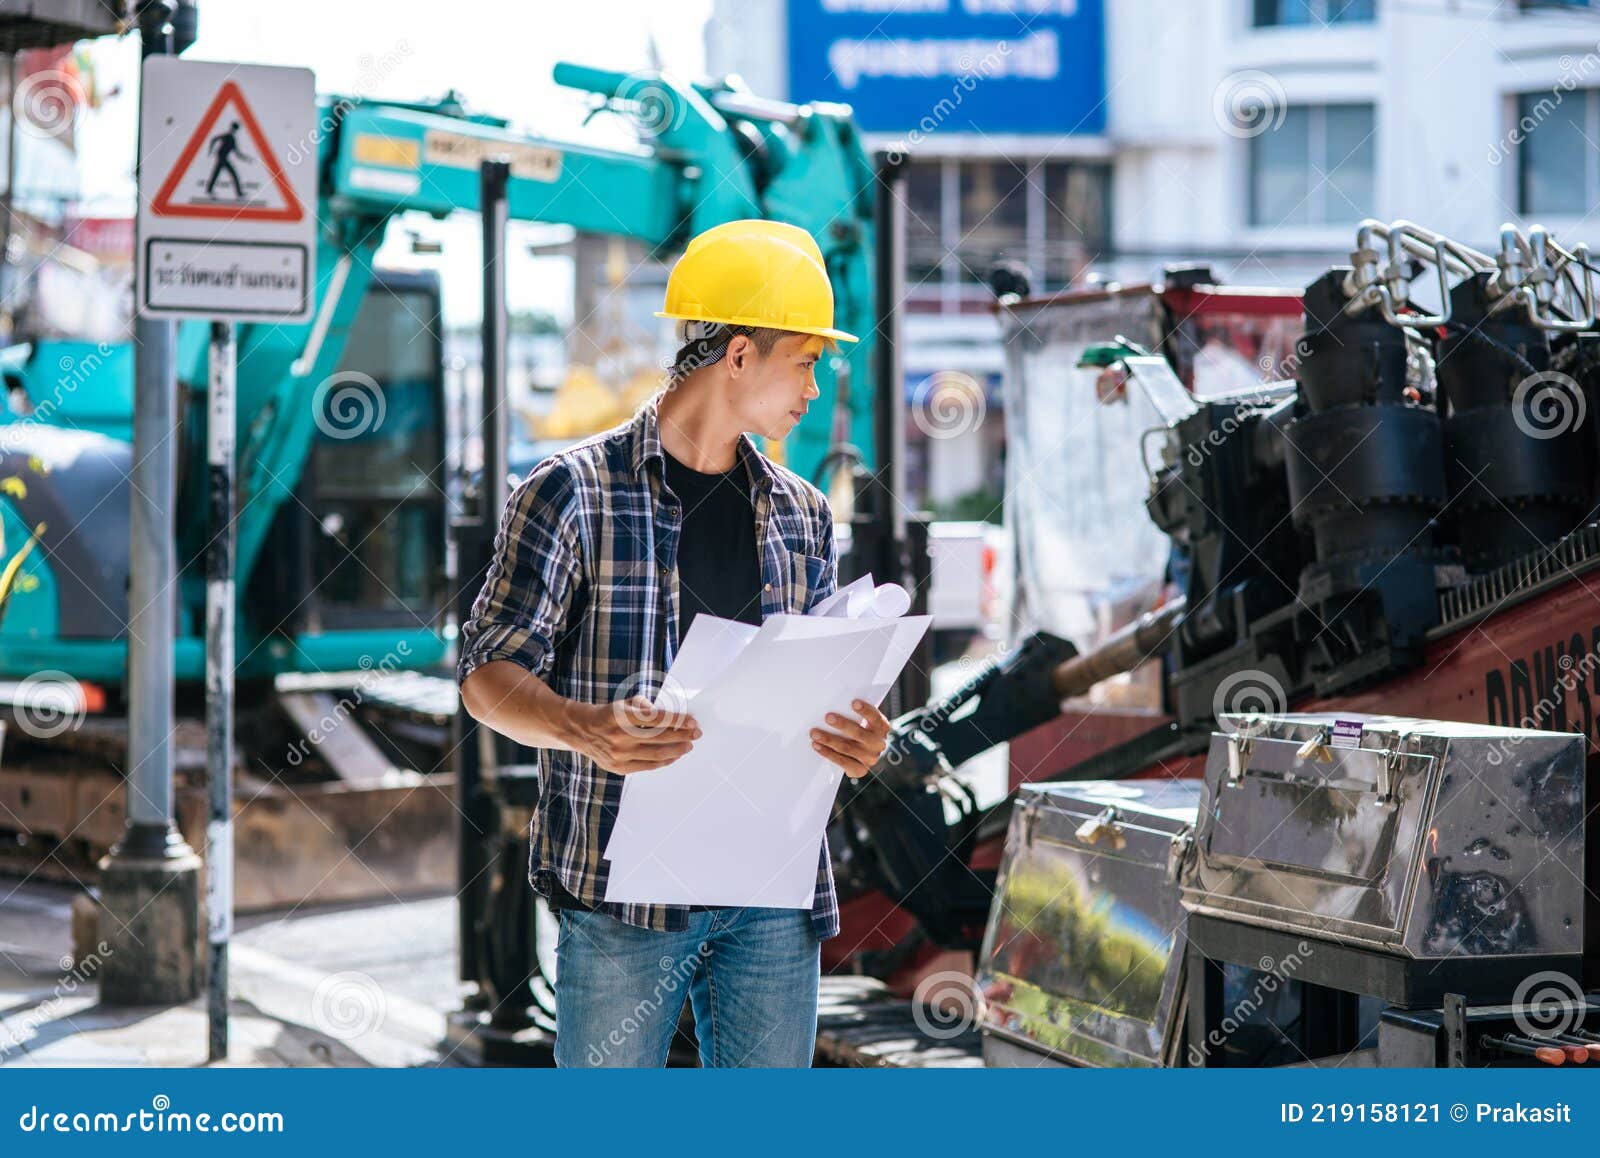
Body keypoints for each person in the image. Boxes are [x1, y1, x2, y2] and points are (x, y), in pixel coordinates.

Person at [458, 219, 892, 1068]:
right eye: (804, 360)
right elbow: (485, 675)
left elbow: (813, 683)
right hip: (625, 896)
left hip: (770, 890)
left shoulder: (802, 513)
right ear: (738, 355)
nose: (815, 386)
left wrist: (864, 740)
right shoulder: (569, 492)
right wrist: (585, 728)